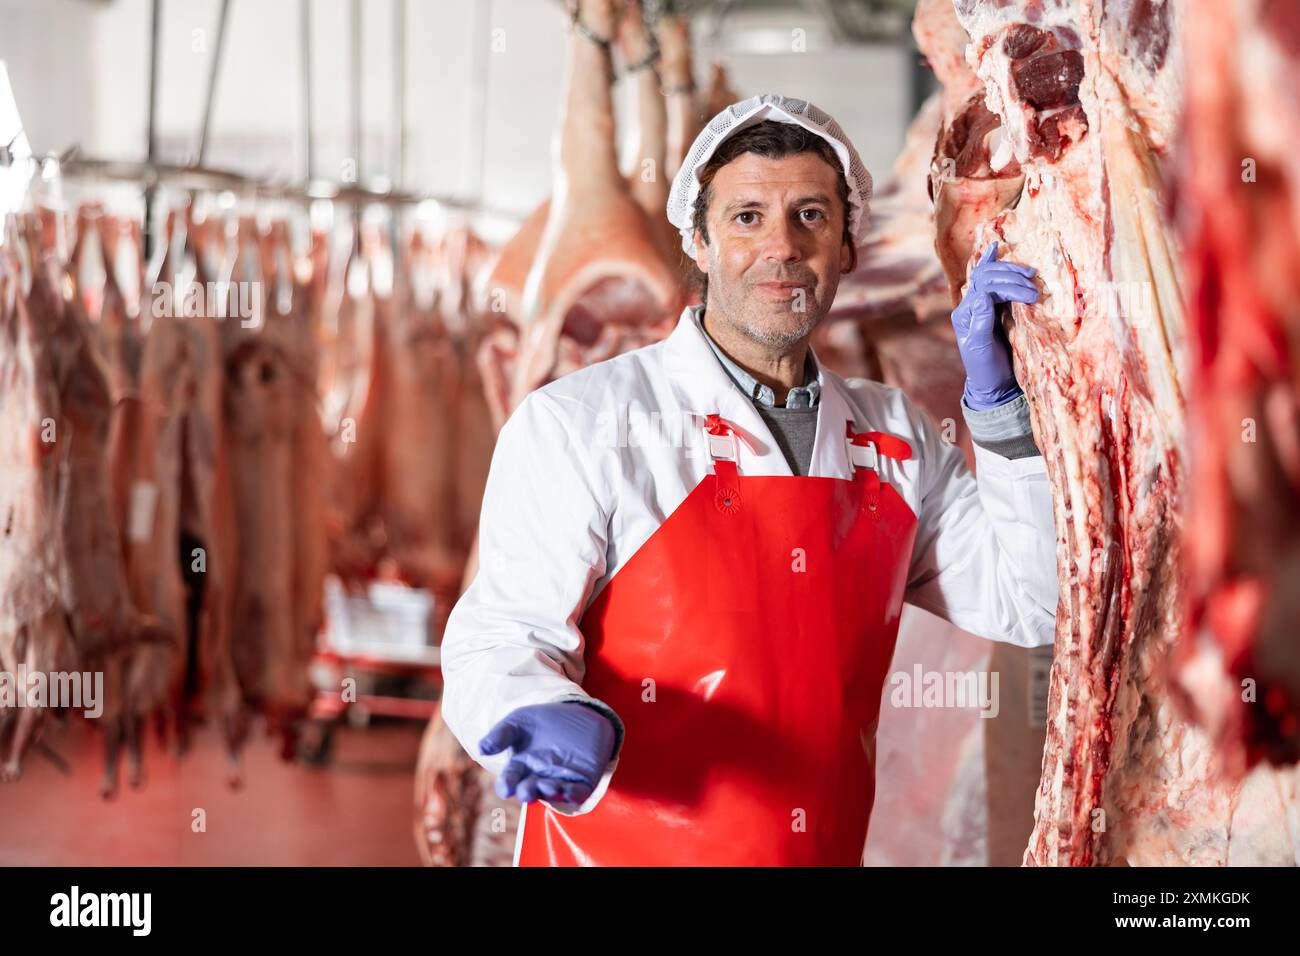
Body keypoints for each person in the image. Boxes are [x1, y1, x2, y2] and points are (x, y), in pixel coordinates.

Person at [441, 92, 1057, 866]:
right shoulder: (583, 423)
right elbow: (497, 640)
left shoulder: (896, 437)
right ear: (697, 241)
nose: (782, 247)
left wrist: (1000, 410)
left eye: (810, 216)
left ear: (848, 244)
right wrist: (538, 707)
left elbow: (1030, 603)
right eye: (746, 218)